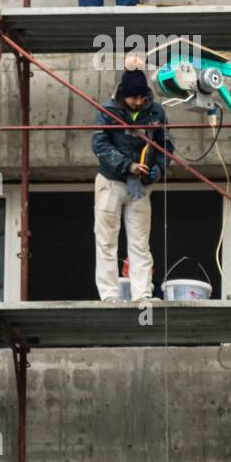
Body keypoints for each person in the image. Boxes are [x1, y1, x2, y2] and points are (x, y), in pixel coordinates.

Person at [91, 68, 174, 302]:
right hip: (111, 183)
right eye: (133, 98)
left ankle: (142, 295)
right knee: (106, 240)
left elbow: (166, 146)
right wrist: (127, 166)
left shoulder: (156, 111)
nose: (138, 102)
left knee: (139, 242)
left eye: (141, 97)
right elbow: (100, 145)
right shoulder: (108, 111)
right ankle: (109, 295)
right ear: (123, 95)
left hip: (141, 186)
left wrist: (159, 168)